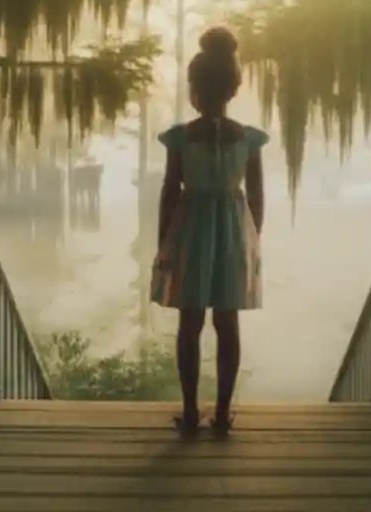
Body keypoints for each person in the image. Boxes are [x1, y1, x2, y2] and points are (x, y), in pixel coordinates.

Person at [152, 26, 267, 436]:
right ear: (232, 88)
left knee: (190, 323)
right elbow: (256, 196)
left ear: (195, 89)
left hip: (192, 230)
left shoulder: (182, 138)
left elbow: (170, 191)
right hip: (233, 231)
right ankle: (221, 414)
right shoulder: (247, 139)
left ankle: (188, 410)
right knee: (227, 322)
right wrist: (252, 240)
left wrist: (164, 239)